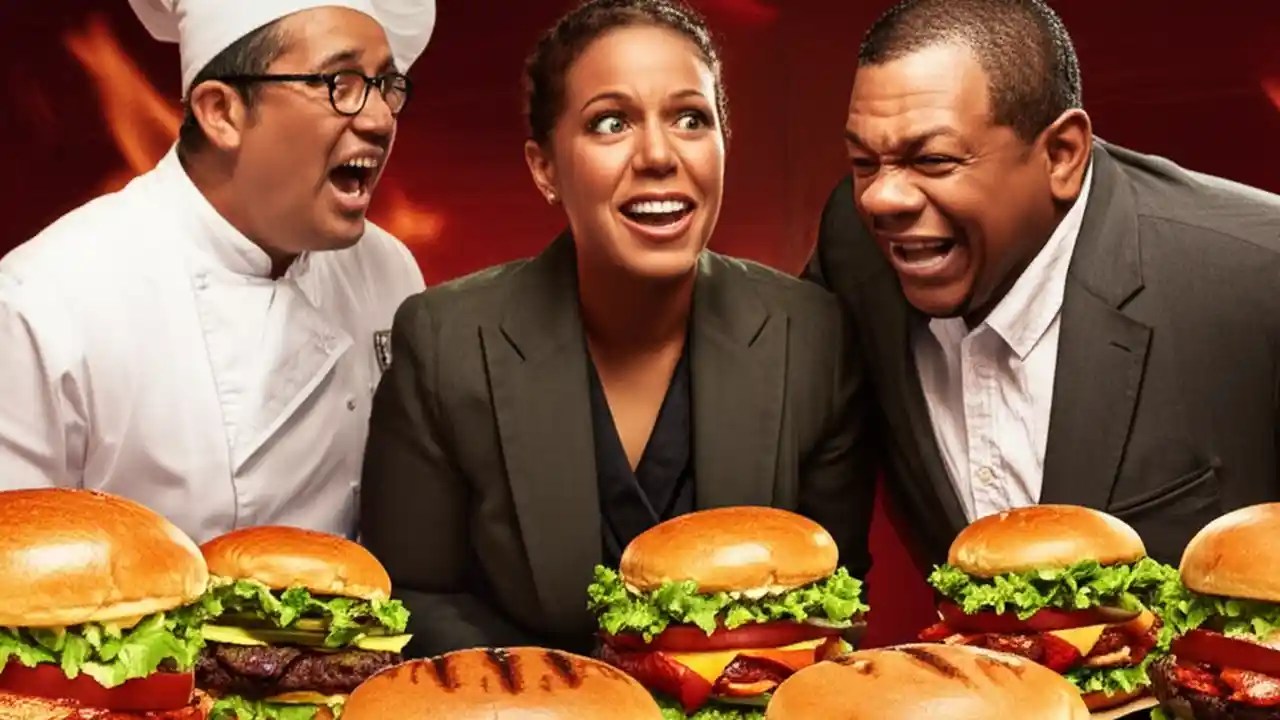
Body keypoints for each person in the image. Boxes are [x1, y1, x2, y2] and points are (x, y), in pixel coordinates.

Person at [361, 0, 876, 657]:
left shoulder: (814, 338)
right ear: (543, 166)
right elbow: (414, 593)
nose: (659, 154)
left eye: (691, 118)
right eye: (611, 123)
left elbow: (833, 599)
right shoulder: (446, 341)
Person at [807, 0, 1280, 570]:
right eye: (863, 162)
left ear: (1062, 155)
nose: (881, 199)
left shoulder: (1258, 275)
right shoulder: (852, 247)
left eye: (932, 159)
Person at [0, 0, 435, 543]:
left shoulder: (387, 269)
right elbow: (14, 568)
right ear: (221, 111)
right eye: (340, 82)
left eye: (386, 85)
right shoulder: (45, 301)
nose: (378, 119)